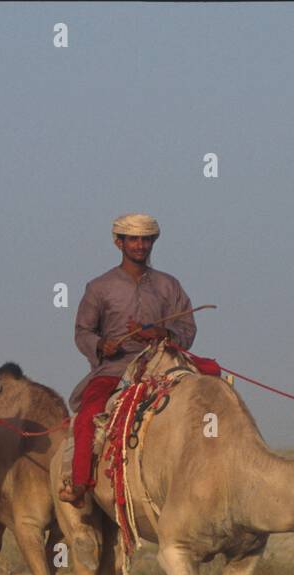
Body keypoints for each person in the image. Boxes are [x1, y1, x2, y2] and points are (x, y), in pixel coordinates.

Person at [59, 213, 197, 507]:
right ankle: (79, 481)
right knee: (89, 413)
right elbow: (83, 331)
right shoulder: (99, 287)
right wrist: (100, 345)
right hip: (115, 369)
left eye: (146, 239)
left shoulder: (169, 286)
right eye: (133, 239)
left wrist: (162, 333)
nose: (140, 245)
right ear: (118, 242)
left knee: (208, 400)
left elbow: (187, 327)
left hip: (162, 365)